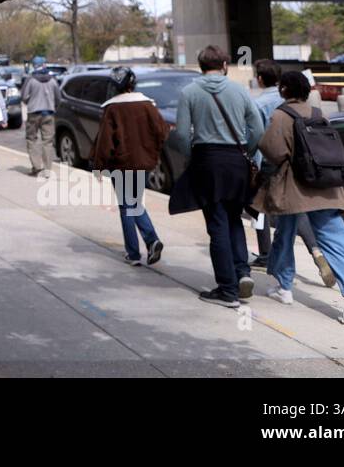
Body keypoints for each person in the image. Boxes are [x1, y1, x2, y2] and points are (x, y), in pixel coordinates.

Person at [255, 71, 344, 325]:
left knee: (284, 233)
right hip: (327, 188)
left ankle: (284, 287)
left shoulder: (281, 115)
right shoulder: (320, 114)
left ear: (284, 90)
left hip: (294, 188)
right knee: (337, 240)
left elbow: (272, 151)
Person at [168, 45, 264, 307]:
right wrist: (247, 150)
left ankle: (227, 289)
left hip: (207, 161)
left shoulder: (189, 92)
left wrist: (191, 156)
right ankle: (242, 272)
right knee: (234, 219)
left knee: (217, 225)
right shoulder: (239, 90)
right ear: (224, 65)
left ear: (200, 66)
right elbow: (257, 126)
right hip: (237, 161)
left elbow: (180, 135)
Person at [250, 59, 336, 287]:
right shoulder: (297, 103)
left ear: (260, 79)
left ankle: (267, 257)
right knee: (298, 212)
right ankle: (316, 250)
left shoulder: (260, 105)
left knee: (261, 212)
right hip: (302, 167)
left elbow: (260, 140)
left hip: (273, 167)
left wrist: (256, 167)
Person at [90, 67, 167, 267]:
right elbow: (162, 131)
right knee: (134, 203)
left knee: (127, 206)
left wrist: (98, 166)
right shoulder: (147, 104)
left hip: (121, 164)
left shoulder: (112, 108)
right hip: (144, 163)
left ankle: (137, 250)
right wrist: (153, 153)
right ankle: (150, 242)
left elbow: (104, 141)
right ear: (132, 83)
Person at [21, 56, 60, 178]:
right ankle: (48, 170)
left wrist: (30, 101)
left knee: (31, 140)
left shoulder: (30, 79)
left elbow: (24, 96)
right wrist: (53, 107)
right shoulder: (53, 79)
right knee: (47, 142)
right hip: (48, 113)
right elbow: (58, 98)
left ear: (34, 65)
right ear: (44, 65)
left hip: (33, 113)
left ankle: (37, 168)